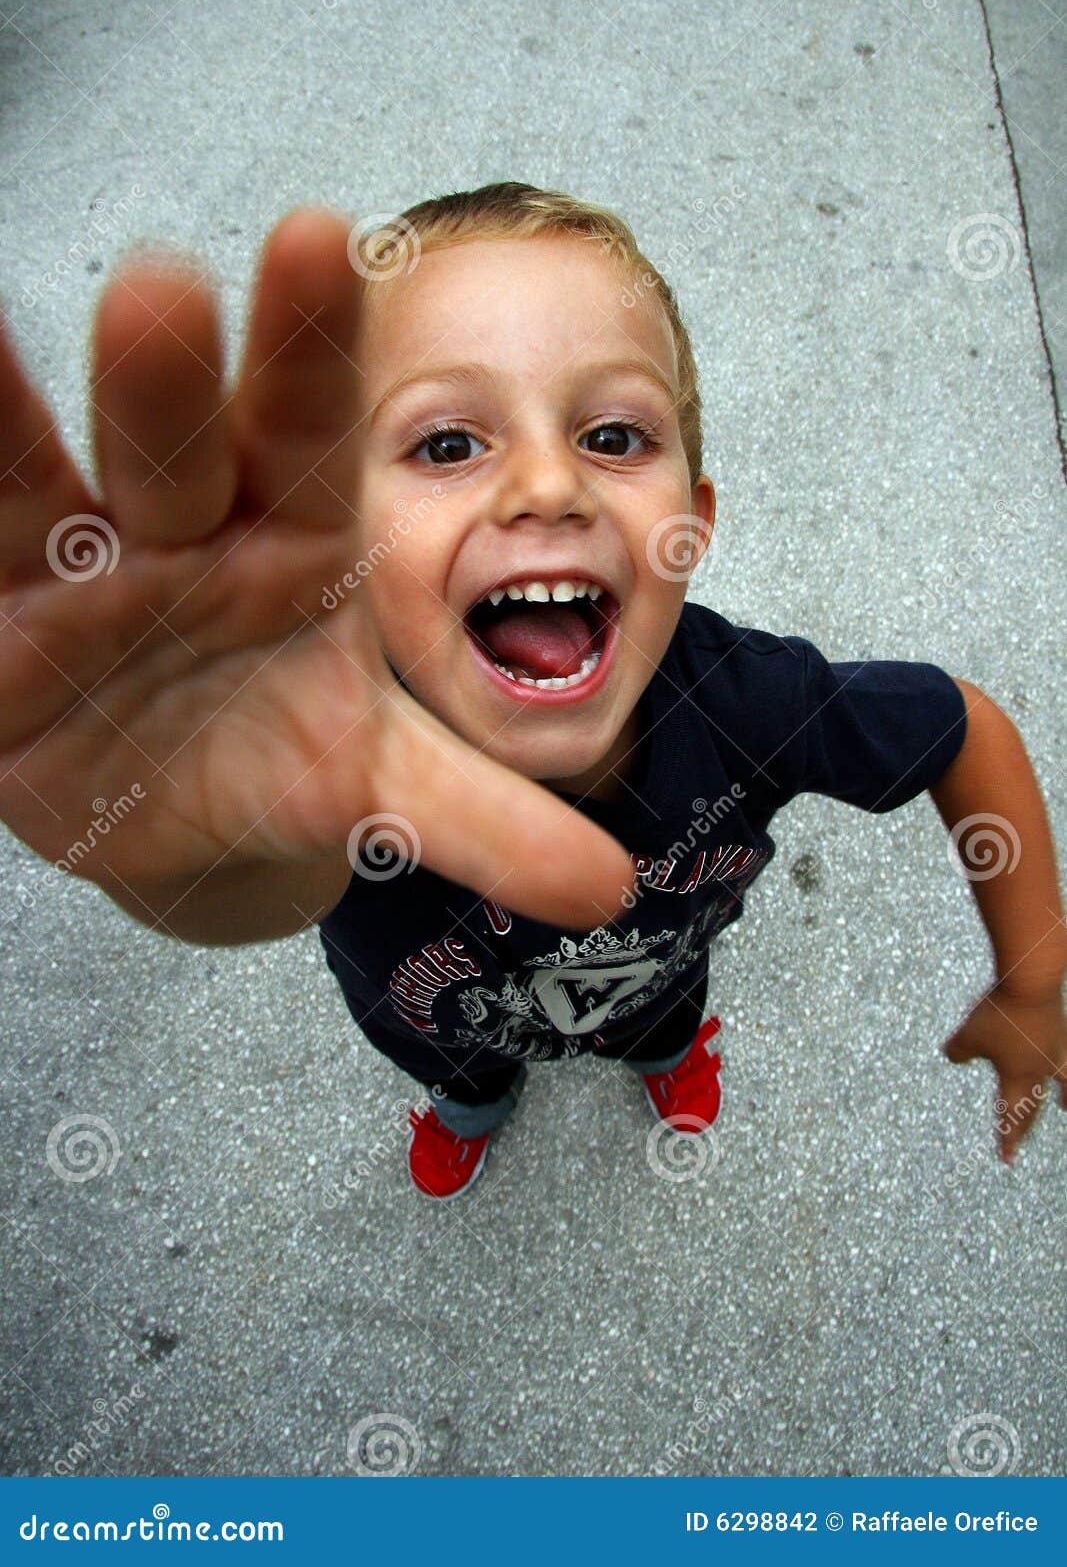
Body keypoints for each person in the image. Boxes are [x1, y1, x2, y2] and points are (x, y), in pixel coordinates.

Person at [1, 183, 1063, 1203]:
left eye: (611, 436)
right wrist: (159, 830)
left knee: (657, 1018)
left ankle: (665, 1059)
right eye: (447, 442)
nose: (549, 485)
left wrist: (1031, 976)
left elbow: (962, 729)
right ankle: (467, 1108)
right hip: (440, 1022)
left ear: (689, 522)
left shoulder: (753, 704)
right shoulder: (323, 746)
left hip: (656, 976)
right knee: (458, 1069)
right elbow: (256, 874)